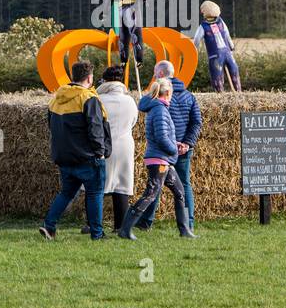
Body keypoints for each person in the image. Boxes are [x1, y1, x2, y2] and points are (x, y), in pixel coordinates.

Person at [40, 61, 110, 241]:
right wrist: (100, 151)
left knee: (66, 193)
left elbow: (51, 126)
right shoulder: (88, 98)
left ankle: (49, 225)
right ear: (89, 78)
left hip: (64, 156)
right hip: (87, 156)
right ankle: (97, 233)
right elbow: (95, 128)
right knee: (94, 193)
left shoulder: (56, 98)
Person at [119, 78, 197, 239]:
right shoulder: (160, 110)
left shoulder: (157, 108)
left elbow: (162, 135)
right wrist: (174, 149)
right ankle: (125, 229)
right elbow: (161, 138)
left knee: (179, 191)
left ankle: (185, 230)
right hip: (159, 160)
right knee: (151, 194)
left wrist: (176, 143)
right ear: (168, 93)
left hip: (162, 159)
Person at [138, 60, 202, 231]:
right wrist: (188, 143)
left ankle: (145, 222)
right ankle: (188, 223)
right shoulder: (189, 96)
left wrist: (182, 144)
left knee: (155, 186)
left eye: (154, 73)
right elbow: (197, 122)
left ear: (159, 74)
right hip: (182, 149)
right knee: (184, 185)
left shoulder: (158, 94)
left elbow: (142, 104)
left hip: (163, 149)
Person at [95, 65, 136, 231]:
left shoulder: (98, 99)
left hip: (103, 144)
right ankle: (121, 226)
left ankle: (93, 224)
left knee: (97, 186)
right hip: (124, 143)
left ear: (104, 81)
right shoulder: (130, 101)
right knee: (122, 185)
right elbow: (133, 121)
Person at [192, 0, 242, 92]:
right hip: (223, 54)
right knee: (226, 73)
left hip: (220, 54)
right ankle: (229, 92)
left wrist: (194, 50)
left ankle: (231, 92)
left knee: (225, 73)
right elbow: (227, 34)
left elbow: (196, 40)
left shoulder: (210, 25)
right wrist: (231, 46)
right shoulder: (213, 24)